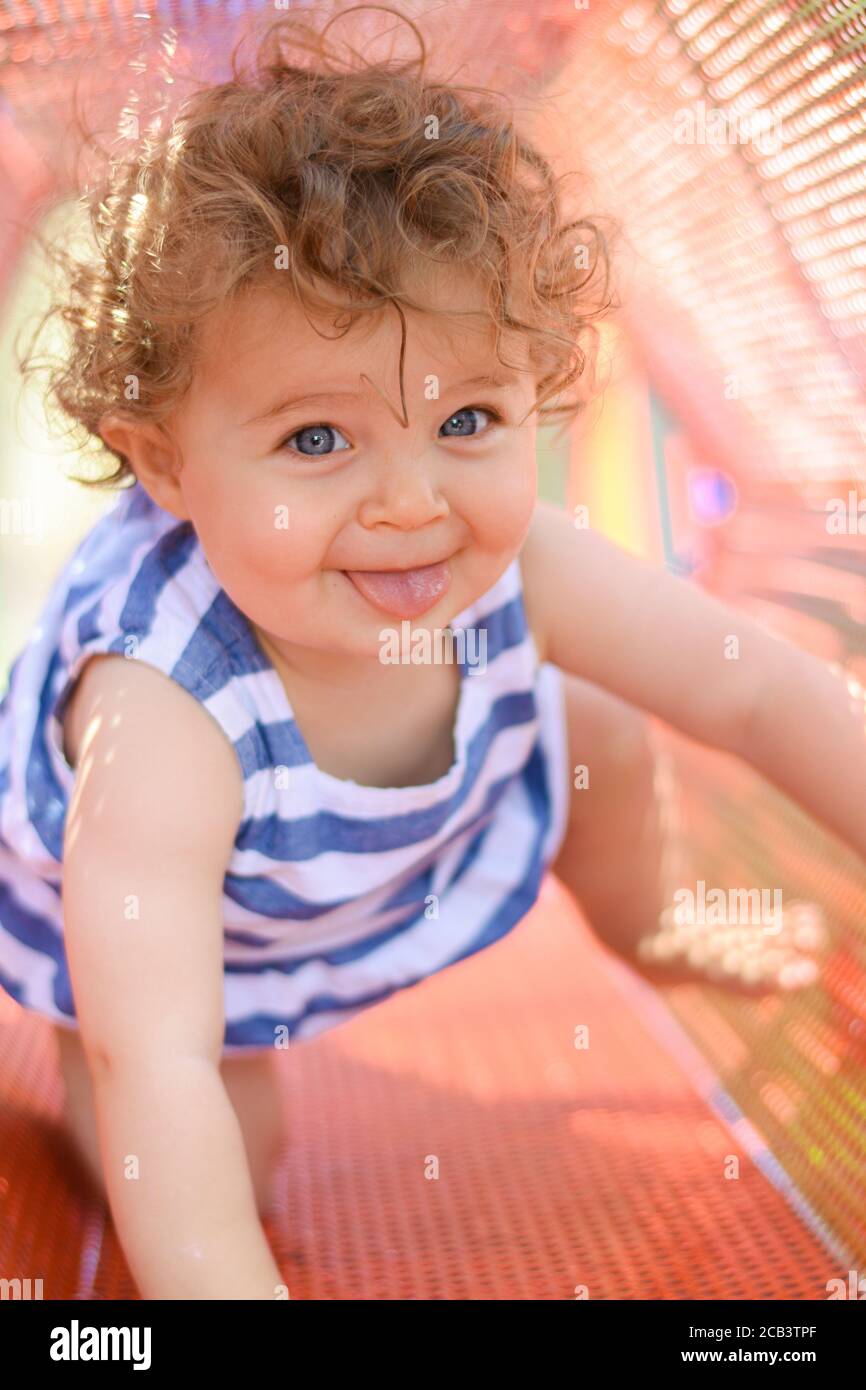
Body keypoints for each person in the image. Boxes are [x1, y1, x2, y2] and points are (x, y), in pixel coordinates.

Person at [0, 6, 861, 1298]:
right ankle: (60, 1104)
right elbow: (157, 1060)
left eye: (466, 416)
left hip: (430, 809)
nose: (413, 501)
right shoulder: (164, 721)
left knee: (602, 723)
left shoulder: (518, 564)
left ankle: (648, 922)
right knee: (225, 1146)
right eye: (314, 439)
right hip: (202, 939)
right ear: (165, 463)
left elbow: (757, 688)